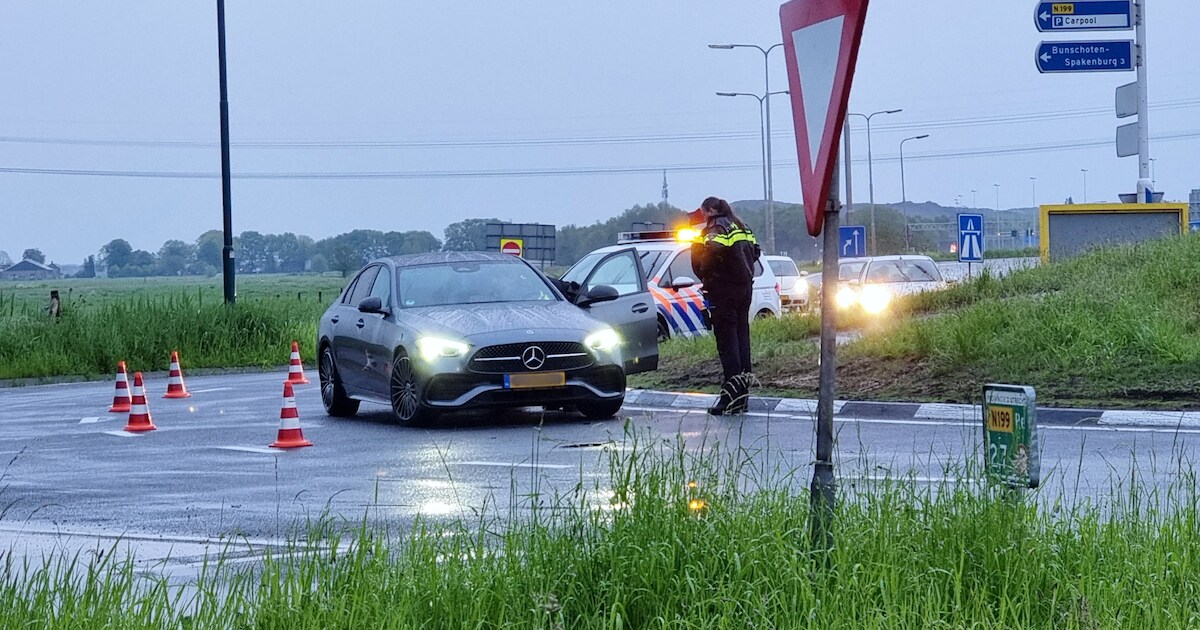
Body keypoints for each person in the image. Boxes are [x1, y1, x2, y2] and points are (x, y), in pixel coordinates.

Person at [689, 196, 761, 415]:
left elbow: (711, 253)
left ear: (710, 211)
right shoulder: (741, 226)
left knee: (728, 346)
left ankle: (729, 398)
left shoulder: (716, 228)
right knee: (742, 343)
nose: (702, 217)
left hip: (724, 291)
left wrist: (704, 270)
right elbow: (756, 251)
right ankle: (742, 399)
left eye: (703, 213)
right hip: (744, 289)